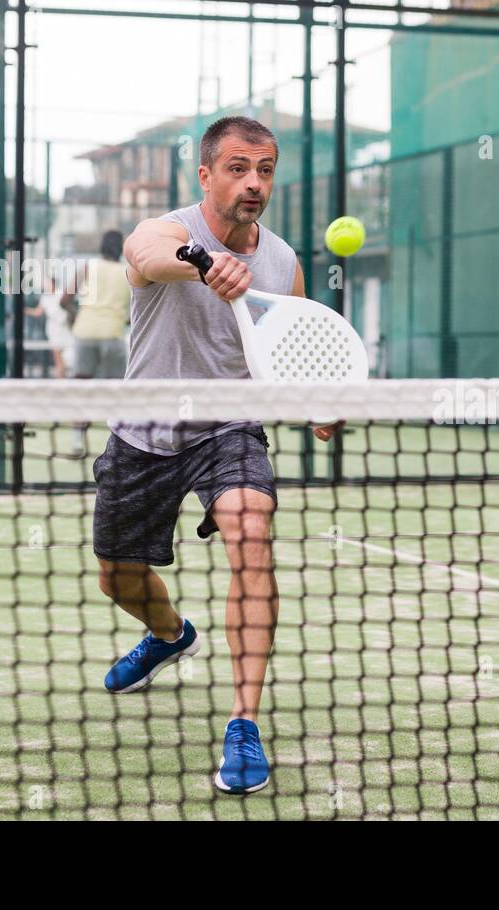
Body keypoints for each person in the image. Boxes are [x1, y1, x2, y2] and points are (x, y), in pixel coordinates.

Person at [98, 115, 338, 796]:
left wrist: (317, 403)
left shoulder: (283, 261)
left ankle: (243, 723)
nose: (253, 181)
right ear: (205, 175)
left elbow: (289, 350)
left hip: (228, 426)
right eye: (237, 167)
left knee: (251, 532)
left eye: (264, 168)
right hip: (145, 428)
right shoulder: (169, 230)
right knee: (117, 577)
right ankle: (170, 635)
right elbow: (146, 255)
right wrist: (205, 265)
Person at [65, 230, 131, 451]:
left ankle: (76, 440)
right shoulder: (127, 272)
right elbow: (133, 313)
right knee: (115, 392)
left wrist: (75, 317)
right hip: (113, 334)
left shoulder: (86, 267)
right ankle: (119, 444)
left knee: (82, 390)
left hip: (85, 333)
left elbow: (64, 299)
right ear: (120, 248)